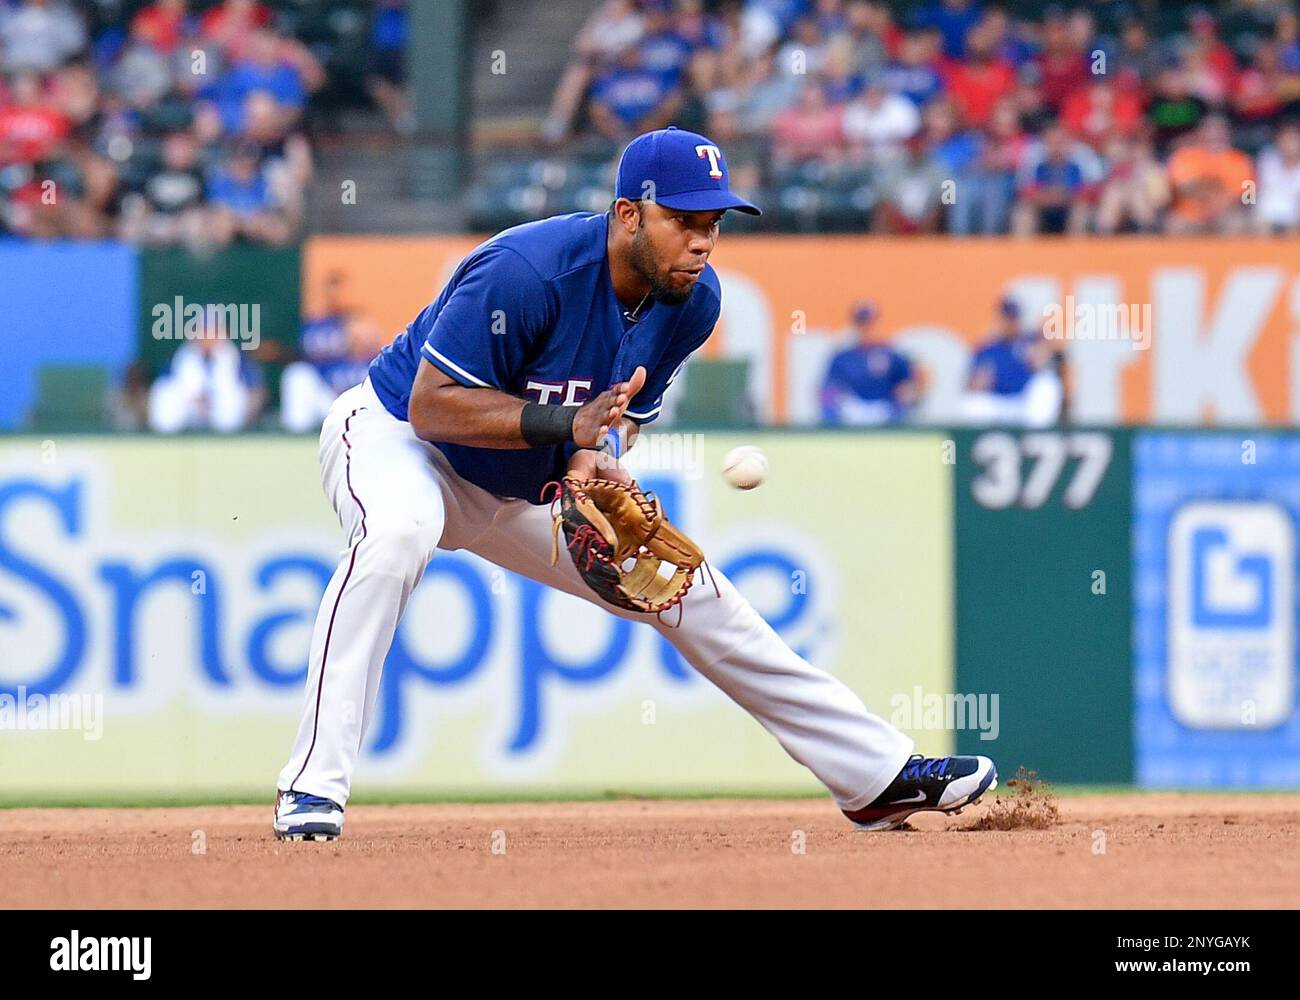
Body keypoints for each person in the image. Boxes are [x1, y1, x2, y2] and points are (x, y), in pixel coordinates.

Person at [272, 127, 996, 841]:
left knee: (695, 595)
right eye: (683, 220)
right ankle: (312, 784)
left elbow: (617, 422)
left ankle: (875, 778)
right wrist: (572, 429)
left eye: (712, 224)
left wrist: (591, 466)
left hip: (522, 483)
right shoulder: (527, 271)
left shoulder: (692, 302)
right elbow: (431, 407)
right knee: (396, 537)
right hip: (400, 442)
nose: (702, 242)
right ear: (628, 214)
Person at [962, 296, 1062, 426]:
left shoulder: (1029, 341)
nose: (1010, 323)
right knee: (971, 405)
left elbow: (1054, 351)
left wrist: (1040, 356)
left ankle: (1037, 435)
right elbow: (971, 385)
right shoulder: (987, 348)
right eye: (1007, 319)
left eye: (1013, 318)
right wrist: (979, 382)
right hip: (997, 404)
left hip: (1023, 405)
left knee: (1048, 381)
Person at [820, 302, 918, 425]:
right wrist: (832, 416)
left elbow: (907, 387)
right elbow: (828, 390)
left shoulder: (893, 355)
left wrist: (899, 408)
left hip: (886, 412)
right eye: (862, 323)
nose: (867, 328)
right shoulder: (843, 357)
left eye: (871, 323)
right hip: (852, 414)